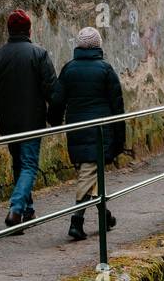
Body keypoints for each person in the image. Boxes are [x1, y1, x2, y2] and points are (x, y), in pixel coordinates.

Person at [0, 9, 57, 231]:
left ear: (9, 30)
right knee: (29, 165)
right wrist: (55, 117)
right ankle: (16, 209)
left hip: (8, 123)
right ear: (29, 30)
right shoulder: (39, 55)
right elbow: (52, 91)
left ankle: (26, 211)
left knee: (18, 163)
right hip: (32, 121)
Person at [48, 26, 126, 241]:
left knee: (91, 171)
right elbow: (117, 106)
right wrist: (120, 138)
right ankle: (76, 220)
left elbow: (57, 100)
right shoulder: (106, 70)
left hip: (76, 129)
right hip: (101, 130)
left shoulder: (69, 69)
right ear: (98, 46)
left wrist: (54, 122)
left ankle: (105, 216)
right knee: (89, 172)